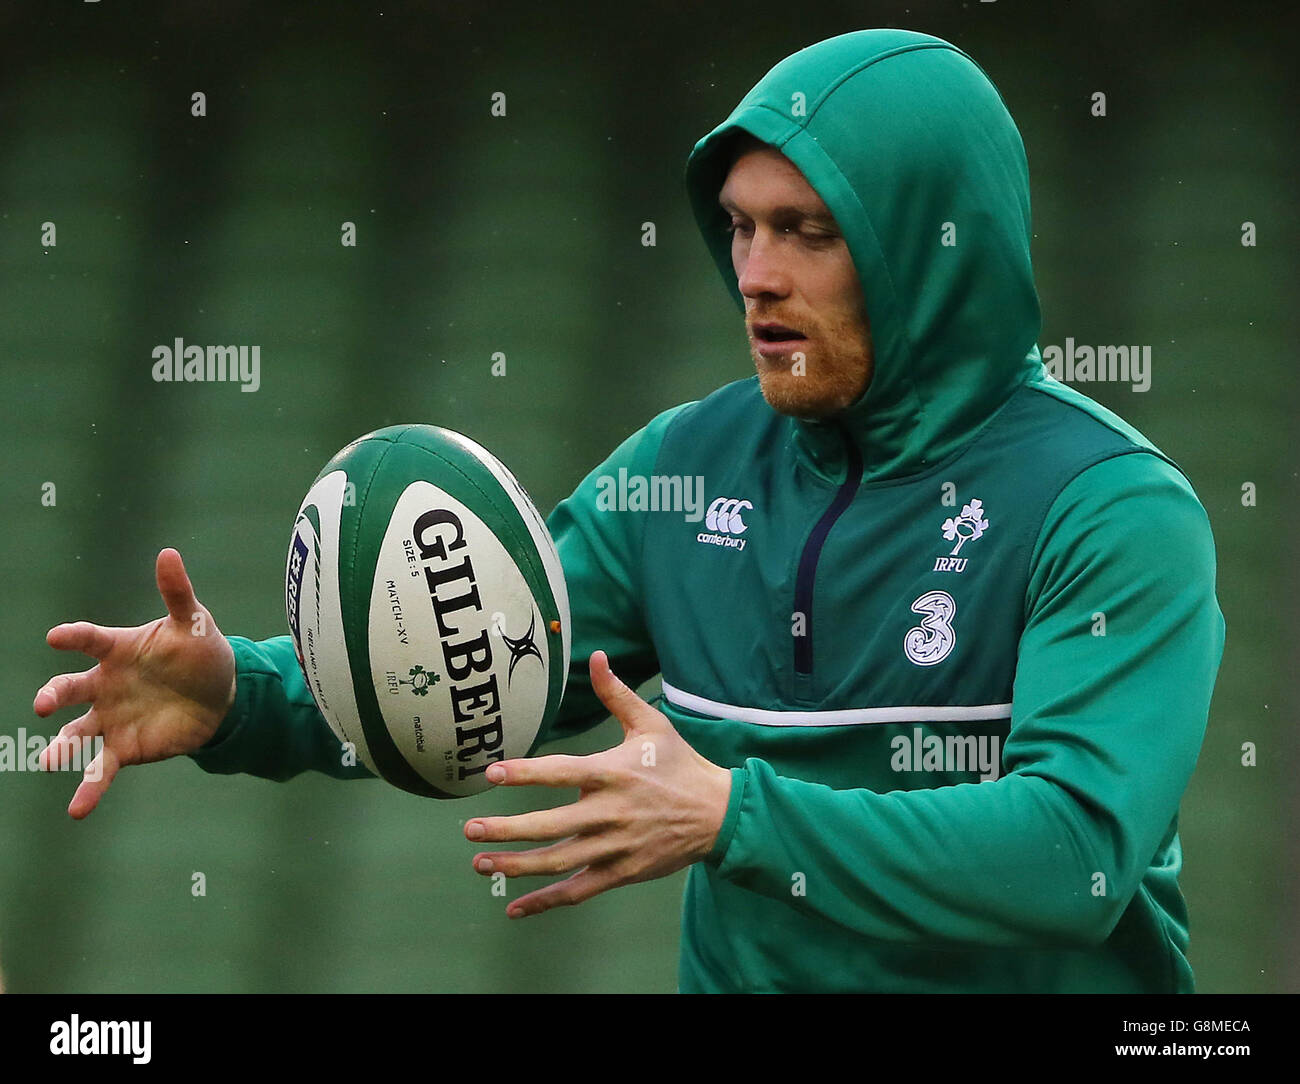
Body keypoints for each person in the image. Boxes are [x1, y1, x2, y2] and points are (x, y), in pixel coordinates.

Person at [34, 29, 1225, 993]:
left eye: (809, 232)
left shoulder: (1109, 510)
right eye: (741, 228)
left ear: (929, 249)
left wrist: (732, 815)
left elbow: (1073, 856)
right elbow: (478, 667)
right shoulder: (688, 469)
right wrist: (244, 697)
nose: (755, 273)